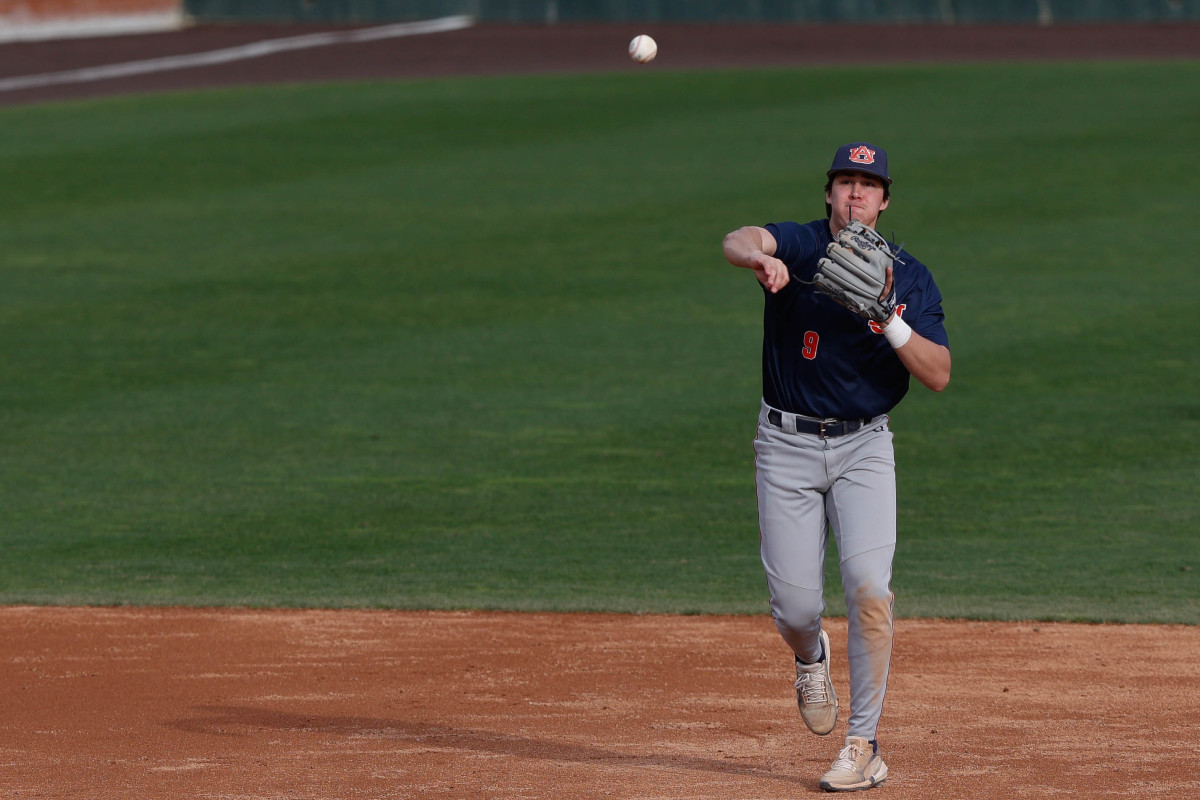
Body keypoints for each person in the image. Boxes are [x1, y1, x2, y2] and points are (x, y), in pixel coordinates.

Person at [721, 142, 951, 792]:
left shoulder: (910, 279)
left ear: (884, 201)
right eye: (844, 183)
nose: (855, 195)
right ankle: (809, 655)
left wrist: (889, 321)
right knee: (795, 608)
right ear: (828, 194)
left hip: (864, 449)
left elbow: (938, 374)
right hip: (786, 446)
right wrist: (761, 257)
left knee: (869, 590)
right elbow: (738, 238)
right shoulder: (801, 246)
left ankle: (863, 743)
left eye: (868, 185)